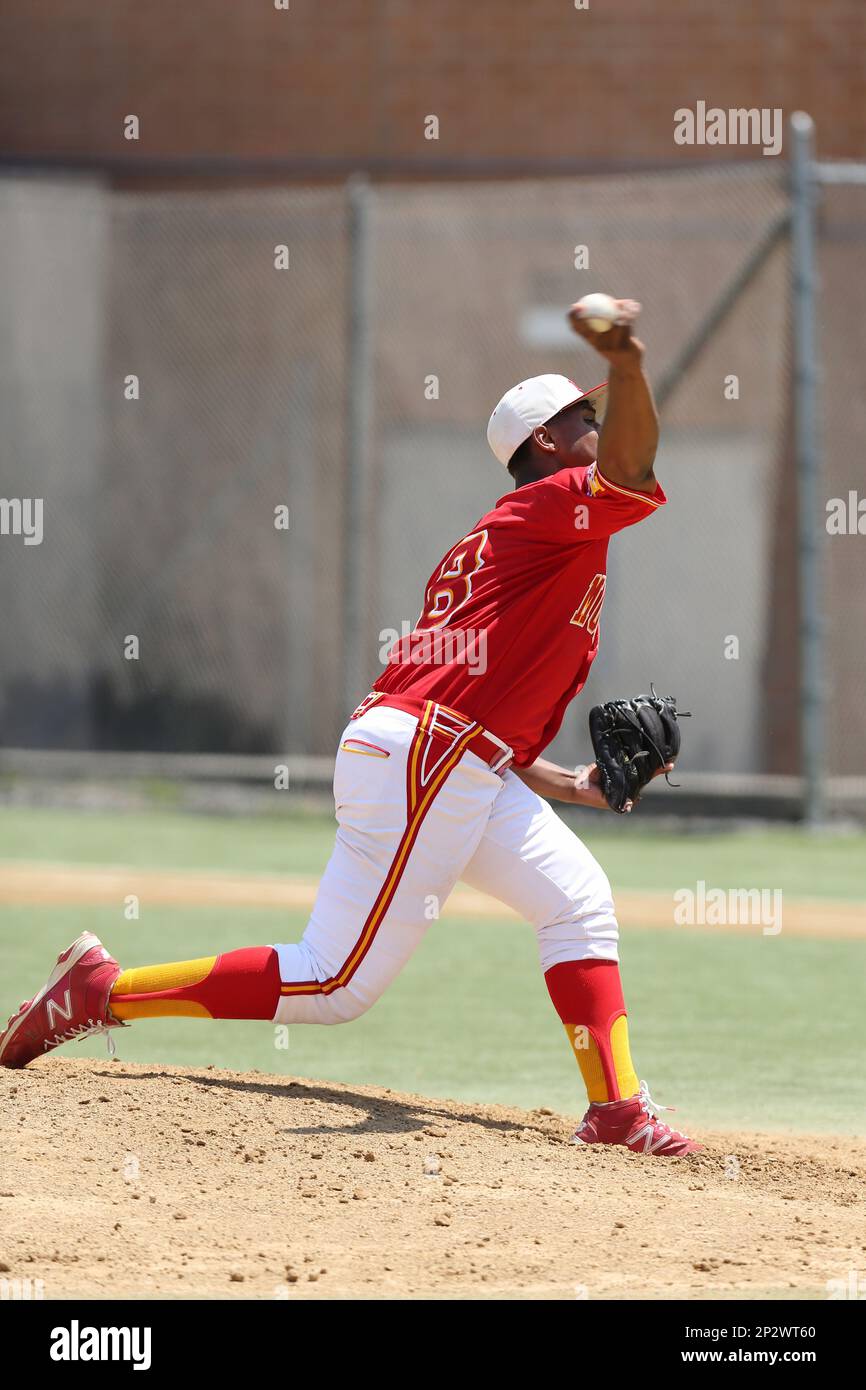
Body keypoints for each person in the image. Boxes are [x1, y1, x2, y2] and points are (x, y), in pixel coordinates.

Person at [0, 298, 700, 1157]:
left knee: (578, 903)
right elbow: (633, 465)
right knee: (335, 981)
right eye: (583, 417)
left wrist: (568, 782)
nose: (601, 427)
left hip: (441, 756)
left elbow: (474, 699)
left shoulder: (529, 532)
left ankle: (617, 1110)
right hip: (428, 758)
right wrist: (627, 362)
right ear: (547, 445)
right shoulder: (559, 506)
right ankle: (102, 993)